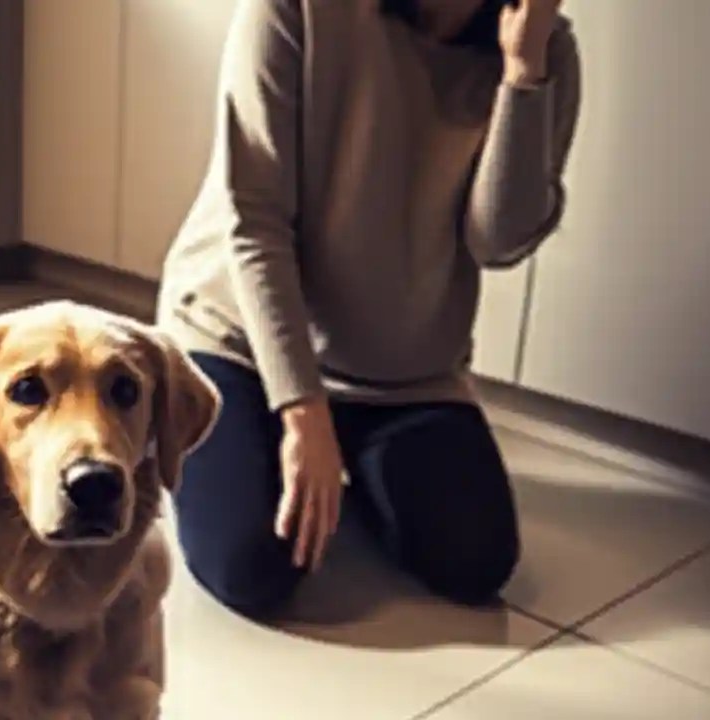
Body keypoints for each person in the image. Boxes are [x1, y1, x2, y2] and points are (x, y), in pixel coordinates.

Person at [155, 0, 580, 618]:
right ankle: (209, 430)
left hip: (400, 373)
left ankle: (345, 456)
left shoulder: (546, 50)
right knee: (250, 567)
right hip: (241, 341)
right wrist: (304, 414)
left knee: (475, 561)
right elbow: (254, 222)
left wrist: (522, 73)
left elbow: (497, 240)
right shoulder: (294, 10)